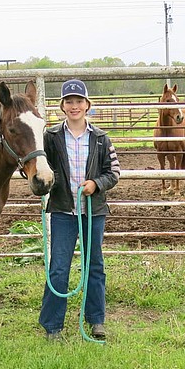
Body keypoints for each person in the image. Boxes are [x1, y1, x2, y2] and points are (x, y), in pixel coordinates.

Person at [39, 79, 121, 341]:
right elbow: (38, 167)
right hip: (63, 211)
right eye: (69, 101)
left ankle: (96, 321)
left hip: (92, 212)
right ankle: (53, 325)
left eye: (79, 101)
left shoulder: (100, 138)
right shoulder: (50, 138)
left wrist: (96, 184)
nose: (74, 106)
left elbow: (114, 172)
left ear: (87, 105)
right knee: (59, 268)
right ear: (62, 106)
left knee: (94, 265)